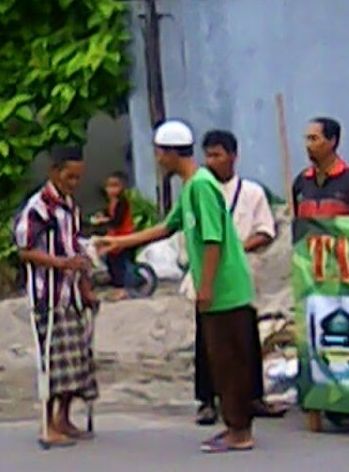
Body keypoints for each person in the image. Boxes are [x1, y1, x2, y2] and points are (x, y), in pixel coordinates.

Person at [97, 120, 258, 454]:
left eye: (159, 153)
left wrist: (207, 286)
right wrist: (119, 242)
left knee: (229, 360)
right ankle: (234, 427)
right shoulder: (191, 188)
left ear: (171, 153)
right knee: (220, 358)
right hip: (218, 287)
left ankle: (239, 431)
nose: (157, 160)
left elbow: (213, 240)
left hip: (225, 288)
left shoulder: (201, 186)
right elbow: (167, 228)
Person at [189, 129, 281, 425]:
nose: (212, 161)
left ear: (233, 156)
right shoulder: (201, 188)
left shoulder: (252, 192)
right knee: (207, 339)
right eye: (208, 155)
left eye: (217, 154)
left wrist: (237, 249)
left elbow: (265, 231)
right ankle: (207, 400)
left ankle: (252, 397)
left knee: (244, 339)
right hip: (208, 272)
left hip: (240, 271)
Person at [13, 146, 99, 448]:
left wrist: (85, 286)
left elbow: (76, 246)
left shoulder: (70, 206)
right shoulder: (39, 208)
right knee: (52, 363)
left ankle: (64, 418)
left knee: (73, 363)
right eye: (69, 176)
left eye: (78, 178)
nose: (74, 183)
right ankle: (47, 425)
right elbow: (25, 250)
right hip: (48, 296)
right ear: (54, 172)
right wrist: (62, 263)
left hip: (70, 295)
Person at [292, 117, 349, 217]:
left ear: (332, 141)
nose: (308, 145)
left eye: (314, 139)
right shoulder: (301, 182)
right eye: (307, 139)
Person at [90, 171, 136, 297]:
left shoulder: (122, 202)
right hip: (115, 235)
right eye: (109, 186)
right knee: (108, 257)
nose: (111, 189)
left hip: (125, 236)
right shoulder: (111, 202)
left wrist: (103, 220)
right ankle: (114, 281)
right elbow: (107, 215)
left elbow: (117, 221)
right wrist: (101, 216)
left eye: (115, 186)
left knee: (119, 261)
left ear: (121, 187)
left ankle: (122, 287)